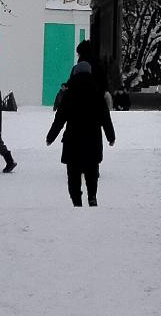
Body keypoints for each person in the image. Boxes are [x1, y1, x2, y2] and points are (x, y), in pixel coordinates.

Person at [45, 41, 116, 206]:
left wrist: (51, 137)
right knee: (92, 169)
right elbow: (105, 117)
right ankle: (92, 196)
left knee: (73, 171)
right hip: (93, 135)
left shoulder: (70, 95)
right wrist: (111, 136)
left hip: (73, 137)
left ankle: (76, 200)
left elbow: (60, 118)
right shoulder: (97, 92)